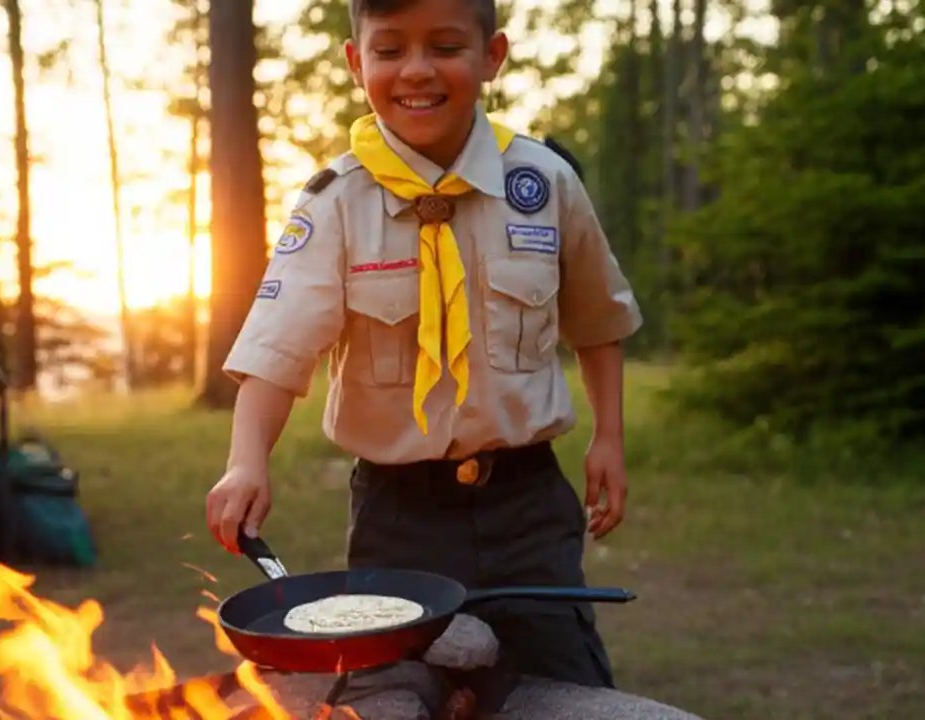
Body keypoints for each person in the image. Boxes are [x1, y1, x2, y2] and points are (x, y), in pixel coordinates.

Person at [206, 0, 643, 690]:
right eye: (389, 50)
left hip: (527, 503)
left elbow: (600, 320)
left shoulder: (543, 186)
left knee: (563, 683)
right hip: (398, 515)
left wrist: (609, 439)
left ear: (492, 56)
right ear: (356, 63)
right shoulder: (337, 202)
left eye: (444, 46)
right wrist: (244, 462)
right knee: (394, 692)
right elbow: (276, 349)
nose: (416, 70)